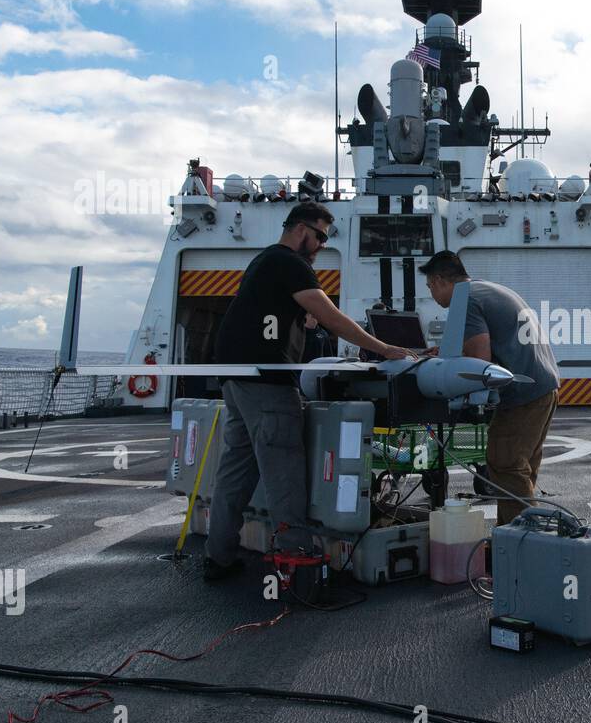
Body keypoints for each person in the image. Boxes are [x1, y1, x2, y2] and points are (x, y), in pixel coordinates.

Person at [204, 201, 417, 580]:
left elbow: (273, 315)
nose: (321, 245)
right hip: (268, 387)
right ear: (302, 229)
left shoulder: (263, 262)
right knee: (284, 473)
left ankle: (218, 556)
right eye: (320, 237)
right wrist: (384, 349)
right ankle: (296, 563)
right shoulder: (290, 264)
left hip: (238, 382)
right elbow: (333, 317)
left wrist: (299, 318)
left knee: (234, 473)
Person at [419, 250, 560, 525]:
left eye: (430, 288)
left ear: (438, 280)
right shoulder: (488, 289)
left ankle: (523, 540)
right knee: (520, 468)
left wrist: (440, 366)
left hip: (523, 394)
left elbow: (479, 358)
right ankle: (514, 538)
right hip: (544, 385)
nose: (432, 295)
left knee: (504, 463)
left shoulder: (466, 300)